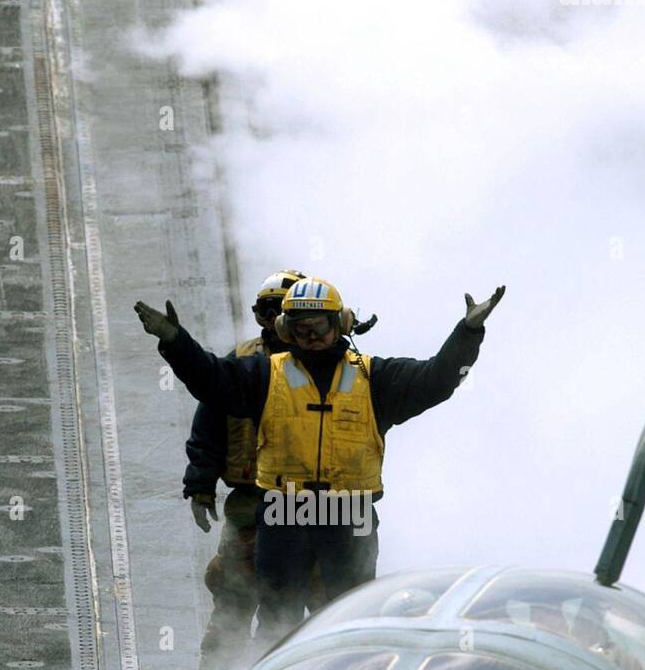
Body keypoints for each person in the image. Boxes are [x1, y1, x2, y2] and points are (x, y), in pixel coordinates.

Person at [136, 274, 505, 644]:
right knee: (278, 620)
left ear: (341, 324)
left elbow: (437, 379)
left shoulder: (375, 377)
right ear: (285, 329)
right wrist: (174, 341)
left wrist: (468, 332)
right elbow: (210, 380)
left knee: (352, 621)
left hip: (349, 512)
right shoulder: (265, 374)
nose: (311, 337)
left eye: (320, 327)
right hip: (284, 509)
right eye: (300, 329)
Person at [184, 270, 319, 670]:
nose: (274, 320)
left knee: (312, 604)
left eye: (283, 310)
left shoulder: (325, 365)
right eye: (267, 310)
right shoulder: (240, 362)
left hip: (308, 506)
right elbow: (209, 420)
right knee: (232, 599)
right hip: (249, 502)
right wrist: (201, 482)